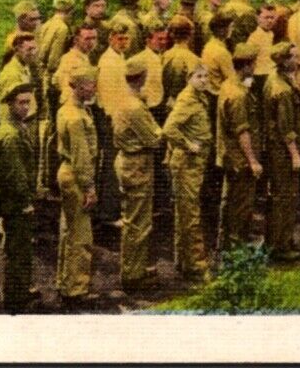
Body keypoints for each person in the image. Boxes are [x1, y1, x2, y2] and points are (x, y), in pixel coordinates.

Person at [110, 61, 161, 293]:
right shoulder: (134, 107)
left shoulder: (123, 100)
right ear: (142, 77)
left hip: (129, 161)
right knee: (138, 223)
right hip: (137, 163)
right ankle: (132, 274)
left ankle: (136, 268)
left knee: (135, 219)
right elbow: (154, 139)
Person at [161, 63, 213, 283]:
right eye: (198, 76)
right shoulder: (187, 100)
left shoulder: (199, 97)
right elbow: (169, 129)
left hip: (195, 162)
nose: (203, 80)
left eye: (205, 76)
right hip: (187, 162)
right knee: (190, 214)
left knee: (185, 212)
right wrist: (187, 144)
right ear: (189, 78)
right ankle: (197, 266)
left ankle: (183, 259)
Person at [0, 81, 38, 311]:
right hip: (15, 202)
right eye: (21, 103)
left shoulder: (17, 126)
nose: (26, 107)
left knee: (20, 248)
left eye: (28, 102)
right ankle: (15, 297)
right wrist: (25, 202)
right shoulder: (10, 135)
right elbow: (15, 174)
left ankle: (19, 290)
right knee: (17, 250)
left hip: (15, 200)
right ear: (10, 103)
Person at [55, 67, 99, 305]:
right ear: (80, 87)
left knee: (67, 231)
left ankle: (64, 281)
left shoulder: (67, 110)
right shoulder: (76, 117)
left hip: (67, 171)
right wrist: (90, 187)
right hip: (76, 175)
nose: (94, 88)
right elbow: (82, 156)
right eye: (91, 84)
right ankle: (76, 289)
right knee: (81, 236)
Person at [216, 43, 263, 249]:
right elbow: (242, 131)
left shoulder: (229, 85)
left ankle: (225, 239)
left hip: (228, 154)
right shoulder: (238, 95)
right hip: (240, 158)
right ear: (247, 65)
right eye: (253, 64)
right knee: (242, 203)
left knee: (230, 199)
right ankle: (237, 244)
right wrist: (253, 161)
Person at [261, 41, 300, 258]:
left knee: (279, 196)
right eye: (295, 57)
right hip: (282, 150)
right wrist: (295, 155)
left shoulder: (275, 79)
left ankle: (276, 241)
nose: (299, 60)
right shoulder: (283, 90)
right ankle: (281, 246)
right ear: (285, 61)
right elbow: (286, 128)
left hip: (276, 148)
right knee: (285, 197)